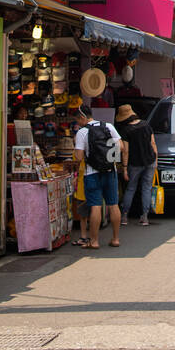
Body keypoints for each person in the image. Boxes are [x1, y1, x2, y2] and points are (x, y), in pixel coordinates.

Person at [74, 104, 123, 248]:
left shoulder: (82, 132)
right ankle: (115, 239)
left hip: (92, 173)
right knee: (113, 205)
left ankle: (94, 241)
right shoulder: (108, 126)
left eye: (78, 120)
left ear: (82, 117)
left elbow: (78, 157)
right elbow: (121, 146)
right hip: (110, 171)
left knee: (95, 206)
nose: (78, 123)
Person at [116, 103, 157, 226]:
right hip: (150, 161)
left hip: (134, 163)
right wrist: (156, 161)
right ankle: (145, 217)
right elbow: (153, 144)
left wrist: (124, 168)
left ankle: (124, 216)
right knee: (146, 188)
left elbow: (125, 151)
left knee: (131, 188)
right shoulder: (146, 125)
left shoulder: (126, 130)